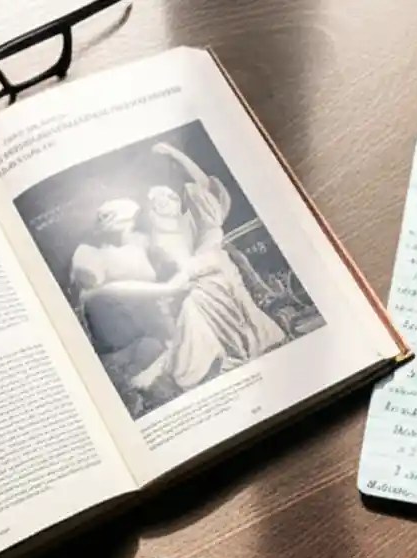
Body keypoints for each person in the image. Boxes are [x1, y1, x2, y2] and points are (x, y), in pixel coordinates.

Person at [130, 142, 287, 392]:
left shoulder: (194, 216)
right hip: (199, 282)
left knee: (218, 299)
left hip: (217, 273)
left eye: (169, 196)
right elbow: (177, 268)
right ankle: (191, 363)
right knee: (191, 307)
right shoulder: (159, 238)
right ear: (152, 207)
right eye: (158, 199)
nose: (165, 202)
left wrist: (175, 154)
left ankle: (238, 345)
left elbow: (205, 187)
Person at [69, 198, 188, 409]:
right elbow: (100, 292)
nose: (129, 226)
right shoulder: (87, 254)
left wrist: (177, 273)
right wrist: (167, 288)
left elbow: (174, 263)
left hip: (155, 327)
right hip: (120, 340)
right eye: (125, 222)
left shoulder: (140, 242)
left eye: (129, 221)